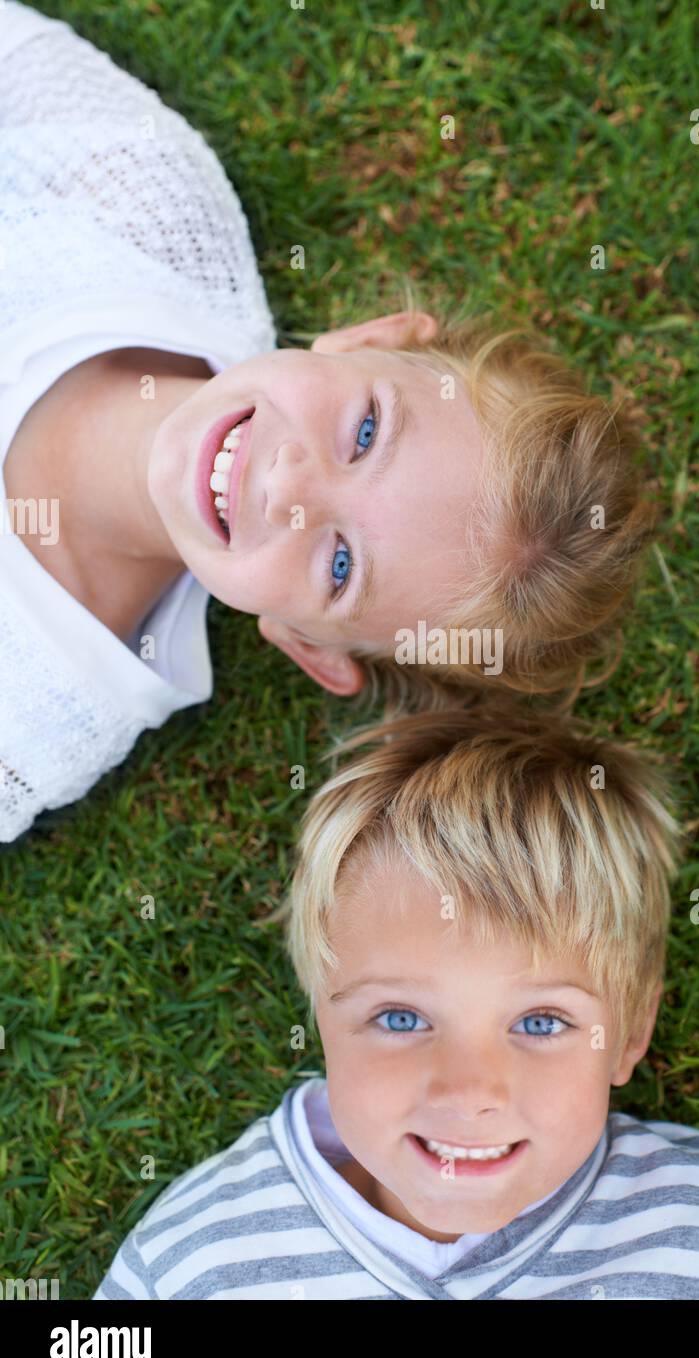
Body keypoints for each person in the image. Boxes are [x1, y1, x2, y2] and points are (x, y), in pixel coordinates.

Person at [0, 2, 652, 843]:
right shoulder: (149, 214)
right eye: (367, 433)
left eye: (341, 564)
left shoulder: (35, 721)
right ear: (369, 341)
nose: (290, 486)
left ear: (307, 644)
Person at [94, 708, 699, 1300]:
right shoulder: (200, 1255)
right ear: (322, 1015)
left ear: (629, 1032)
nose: (468, 1091)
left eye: (541, 1022)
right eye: (400, 1018)